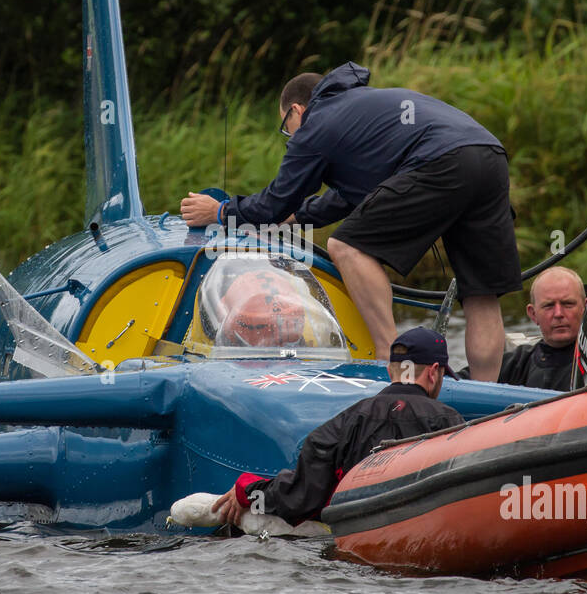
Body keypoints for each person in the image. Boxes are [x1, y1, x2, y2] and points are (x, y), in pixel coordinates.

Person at [180, 63, 520, 381]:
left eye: (286, 127)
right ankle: (486, 395)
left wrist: (221, 212)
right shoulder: (361, 111)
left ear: (297, 111)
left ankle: (392, 360)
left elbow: (274, 202)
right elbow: (348, 199)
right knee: (480, 294)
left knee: (347, 246)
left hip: (440, 162)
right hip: (489, 156)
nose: (291, 138)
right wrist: (296, 215)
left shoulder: (315, 125)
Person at [211, 327, 465, 527]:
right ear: (434, 372)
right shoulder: (449, 420)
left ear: (390, 372)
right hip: (428, 526)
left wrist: (248, 491)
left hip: (360, 534)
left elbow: (299, 496)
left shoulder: (349, 419)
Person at [498, 266, 585, 391]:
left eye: (568, 304)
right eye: (549, 306)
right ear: (533, 314)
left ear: (586, 308)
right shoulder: (517, 364)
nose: (558, 313)